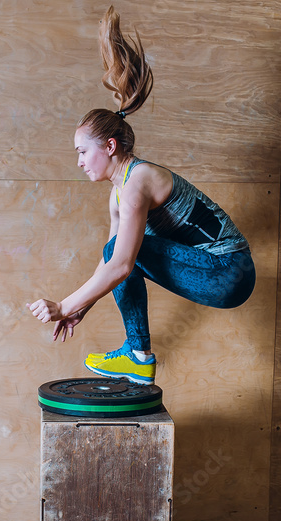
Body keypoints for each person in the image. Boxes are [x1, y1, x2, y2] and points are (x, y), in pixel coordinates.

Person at [27, 5, 254, 385]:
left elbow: (121, 265)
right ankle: (137, 354)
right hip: (214, 271)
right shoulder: (119, 194)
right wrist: (82, 306)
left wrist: (64, 304)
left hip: (230, 271)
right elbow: (113, 264)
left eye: (83, 151)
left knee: (121, 250)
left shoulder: (138, 181)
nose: (80, 162)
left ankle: (137, 354)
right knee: (117, 247)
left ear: (110, 146)